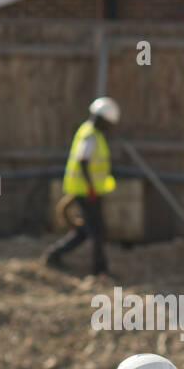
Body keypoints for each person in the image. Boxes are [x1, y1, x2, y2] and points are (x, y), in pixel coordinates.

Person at [42, 96, 119, 277]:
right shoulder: (90, 135)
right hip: (86, 191)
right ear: (102, 119)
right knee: (97, 231)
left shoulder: (93, 134)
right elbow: (83, 160)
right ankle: (99, 270)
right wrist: (91, 187)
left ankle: (54, 254)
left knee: (88, 230)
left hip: (89, 190)